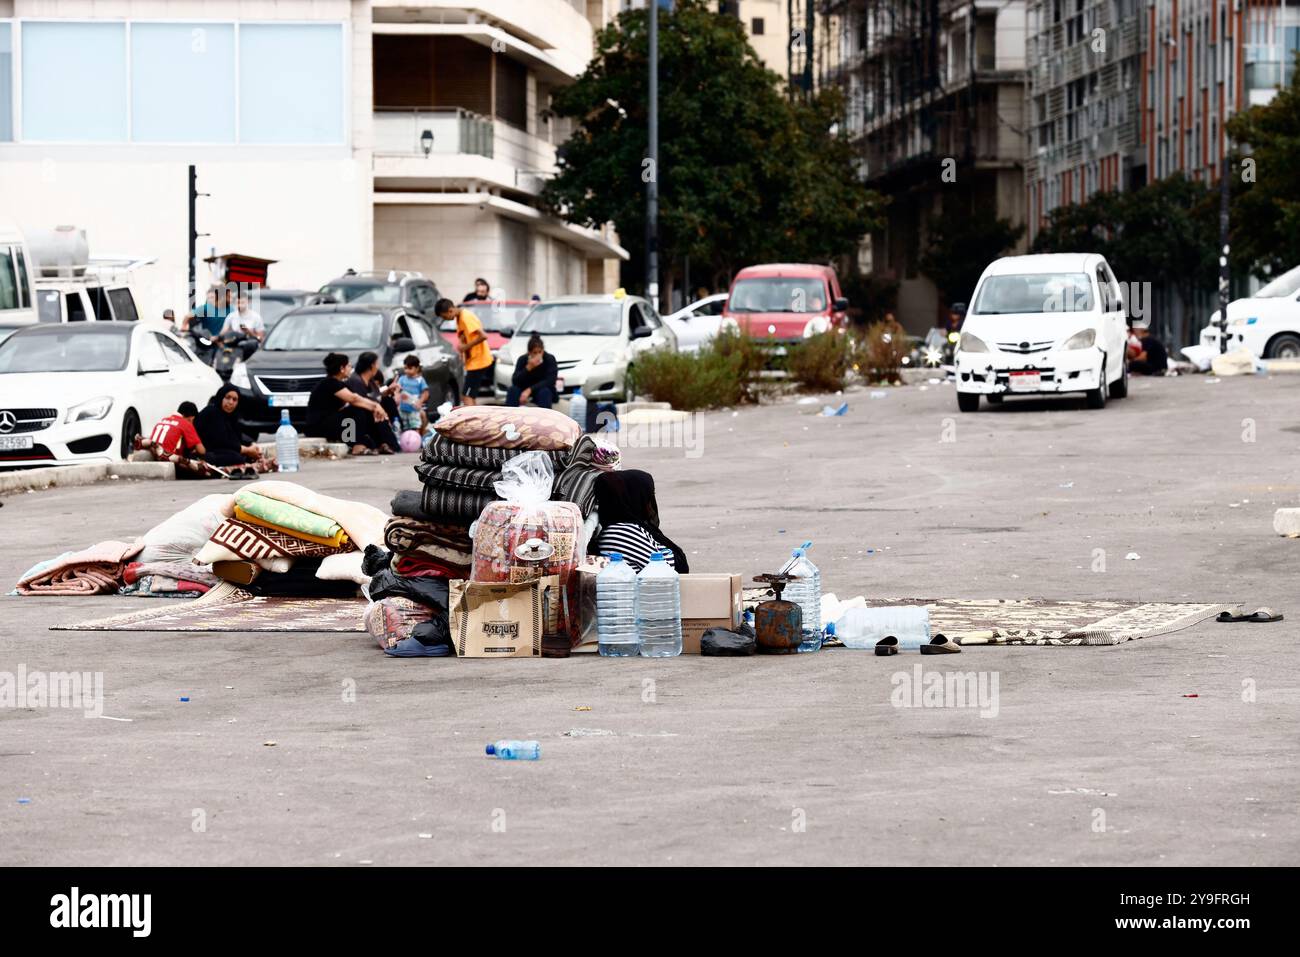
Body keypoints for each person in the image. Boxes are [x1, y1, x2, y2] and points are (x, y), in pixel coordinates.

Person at [589, 470, 689, 573]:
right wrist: (664, 551)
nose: (650, 503)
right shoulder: (622, 533)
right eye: (646, 496)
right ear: (633, 499)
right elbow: (669, 567)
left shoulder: (626, 528)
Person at [305, 352, 392, 456]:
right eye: (348, 365)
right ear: (342, 368)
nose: (351, 367)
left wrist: (375, 406)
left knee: (365, 410)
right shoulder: (329, 383)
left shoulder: (340, 384)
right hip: (318, 427)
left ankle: (380, 444)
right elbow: (354, 399)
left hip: (332, 423)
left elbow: (361, 399)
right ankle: (357, 447)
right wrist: (376, 406)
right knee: (357, 410)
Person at [194, 385, 275, 476]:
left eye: (234, 399)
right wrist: (247, 450)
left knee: (244, 456)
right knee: (236, 457)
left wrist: (251, 445)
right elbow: (221, 442)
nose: (231, 402)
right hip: (206, 452)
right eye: (228, 398)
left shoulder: (231, 416)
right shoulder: (212, 412)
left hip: (221, 450)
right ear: (221, 397)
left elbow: (236, 438)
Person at [438, 298, 492, 406]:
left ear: (450, 310)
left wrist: (465, 347)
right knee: (470, 396)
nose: (446, 319)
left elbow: (483, 336)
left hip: (478, 362)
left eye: (444, 317)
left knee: (466, 397)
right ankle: (477, 419)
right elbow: (466, 338)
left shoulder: (466, 317)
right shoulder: (459, 318)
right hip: (473, 362)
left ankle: (472, 421)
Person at [134, 401, 211, 477]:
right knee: (208, 459)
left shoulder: (163, 420)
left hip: (154, 454)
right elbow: (202, 451)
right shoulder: (186, 423)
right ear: (191, 418)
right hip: (169, 458)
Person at [344, 351, 399, 453]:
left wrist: (387, 392)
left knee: (388, 401)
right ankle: (367, 444)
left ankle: (388, 441)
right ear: (371, 365)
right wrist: (376, 407)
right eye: (377, 364)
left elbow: (376, 397)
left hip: (373, 415)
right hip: (354, 420)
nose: (378, 367)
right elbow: (359, 401)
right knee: (370, 413)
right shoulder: (355, 381)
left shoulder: (371, 382)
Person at [506, 334, 558, 409]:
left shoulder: (549, 359)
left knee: (545, 392)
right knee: (513, 390)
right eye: (535, 352)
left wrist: (529, 390)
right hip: (524, 387)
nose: (538, 355)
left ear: (543, 350)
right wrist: (528, 368)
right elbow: (515, 381)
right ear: (529, 353)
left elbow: (550, 380)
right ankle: (511, 416)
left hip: (541, 388)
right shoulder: (522, 359)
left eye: (540, 352)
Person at [397, 355, 430, 434]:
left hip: (414, 410)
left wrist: (420, 401)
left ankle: (416, 442)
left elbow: (425, 393)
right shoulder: (402, 379)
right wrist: (397, 396)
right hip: (403, 409)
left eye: (410, 368)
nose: (407, 371)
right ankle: (407, 443)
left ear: (417, 368)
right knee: (405, 428)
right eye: (405, 368)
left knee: (415, 426)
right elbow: (397, 390)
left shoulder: (420, 380)